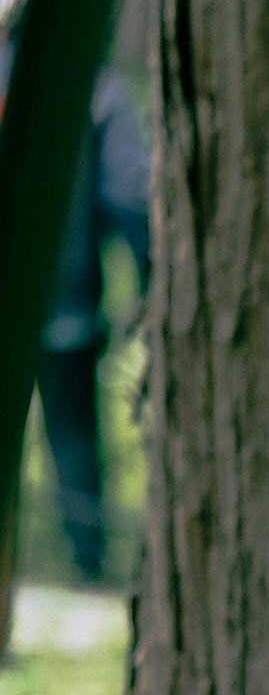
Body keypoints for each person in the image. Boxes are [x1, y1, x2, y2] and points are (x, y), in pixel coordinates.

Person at [34, 58, 147, 587]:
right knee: (73, 433)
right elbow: (129, 193)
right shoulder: (94, 90)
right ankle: (87, 563)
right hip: (65, 299)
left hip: (64, 300)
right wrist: (151, 280)